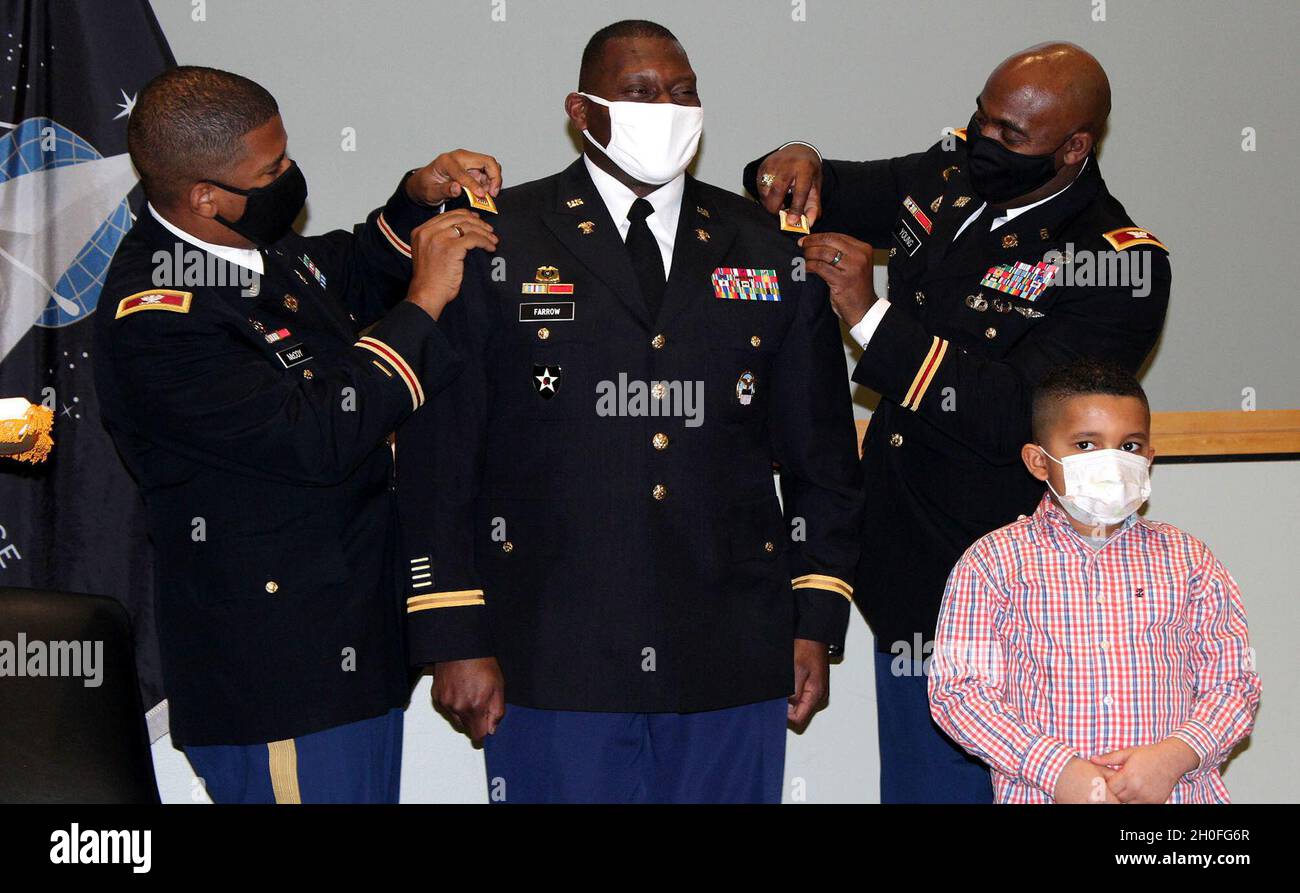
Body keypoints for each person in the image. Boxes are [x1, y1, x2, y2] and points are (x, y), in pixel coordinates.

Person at [398, 20, 862, 803]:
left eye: (684, 92)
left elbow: (823, 461)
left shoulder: (770, 250)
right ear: (582, 110)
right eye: (642, 92)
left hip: (733, 648)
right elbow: (441, 457)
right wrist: (453, 632)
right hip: (551, 652)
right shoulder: (494, 240)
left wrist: (813, 615)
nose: (669, 109)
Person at [742, 42, 1171, 802]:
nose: (984, 141)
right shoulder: (947, 177)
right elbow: (821, 188)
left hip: (1020, 594)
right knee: (923, 788)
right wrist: (797, 158)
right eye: (982, 115)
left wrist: (868, 316)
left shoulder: (1115, 262)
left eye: (1012, 135)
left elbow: (1017, 413)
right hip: (907, 573)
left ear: (1075, 147)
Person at [94, 66, 501, 803]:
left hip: (348, 648)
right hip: (278, 675)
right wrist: (423, 304)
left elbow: (336, 271)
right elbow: (319, 434)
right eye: (271, 170)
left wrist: (418, 199)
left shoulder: (239, 245)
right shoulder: (155, 317)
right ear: (205, 196)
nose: (290, 176)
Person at [928, 358, 1261, 804]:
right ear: (1038, 462)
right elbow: (959, 692)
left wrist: (1175, 756)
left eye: (1129, 446)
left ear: (1149, 459)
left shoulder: (1190, 560)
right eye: (1086, 444)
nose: (1110, 461)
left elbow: (1234, 682)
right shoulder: (992, 562)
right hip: (1043, 793)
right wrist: (1057, 770)